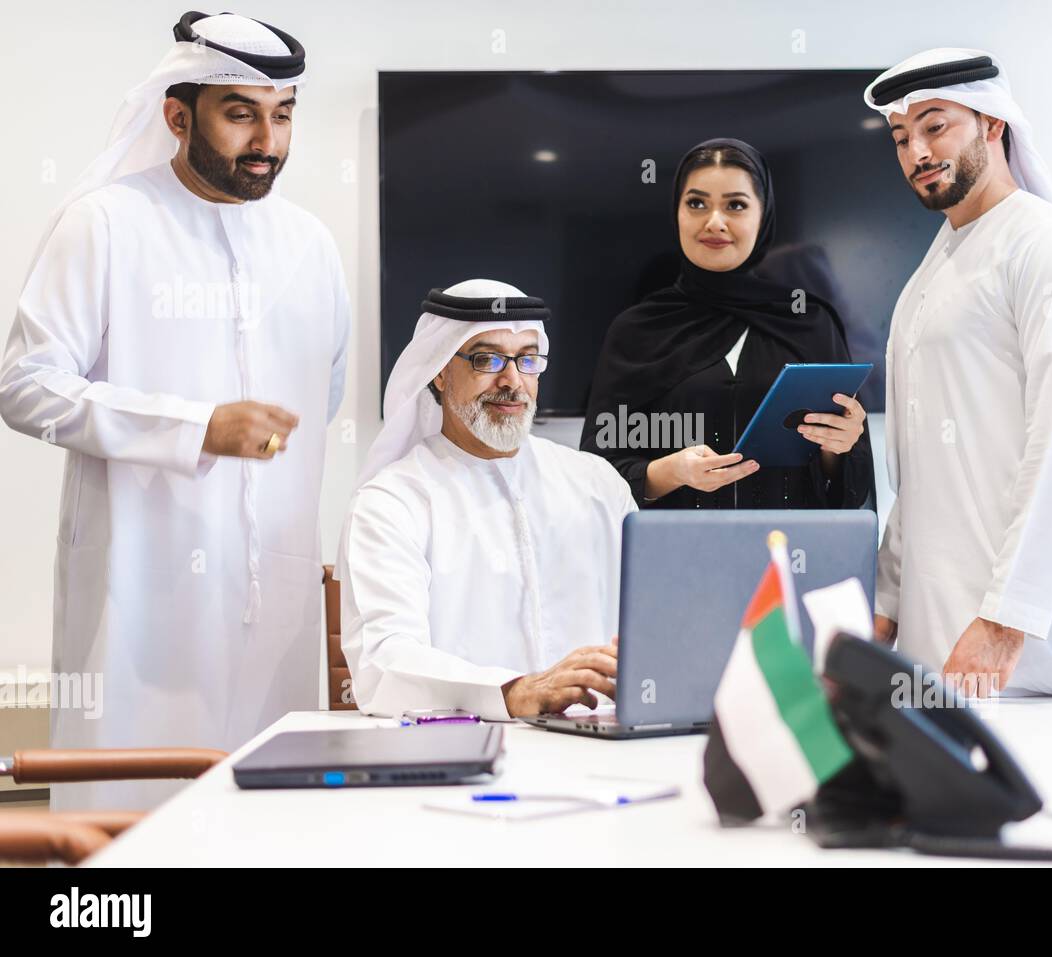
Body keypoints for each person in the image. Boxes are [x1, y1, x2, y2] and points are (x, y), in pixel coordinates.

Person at [0, 12, 350, 810]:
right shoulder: (105, 223)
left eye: (284, 112)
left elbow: (320, 403)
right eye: (241, 113)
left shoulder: (310, 245)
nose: (269, 138)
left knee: (275, 828)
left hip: (277, 609)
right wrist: (194, 427)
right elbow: (24, 386)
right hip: (139, 601)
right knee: (130, 820)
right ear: (177, 114)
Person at [864, 48, 1052, 699]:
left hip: (1034, 654)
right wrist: (887, 604)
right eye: (901, 137)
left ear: (992, 122)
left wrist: (1005, 619)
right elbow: (919, 471)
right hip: (940, 647)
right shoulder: (932, 272)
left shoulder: (1051, 246)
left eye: (935, 126)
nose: (916, 153)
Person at [337, 280, 635, 720]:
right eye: (487, 358)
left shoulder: (598, 485)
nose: (512, 381)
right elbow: (384, 661)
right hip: (459, 750)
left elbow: (654, 625)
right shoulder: (392, 502)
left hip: (604, 744)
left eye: (527, 359)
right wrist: (512, 692)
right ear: (439, 370)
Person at [581, 138, 875, 511]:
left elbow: (849, 486)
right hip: (672, 557)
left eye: (735, 205)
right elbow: (595, 473)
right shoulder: (637, 330)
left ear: (762, 213)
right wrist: (670, 472)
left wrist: (840, 446)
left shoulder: (809, 322)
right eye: (696, 203)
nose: (714, 221)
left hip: (791, 554)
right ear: (677, 213)